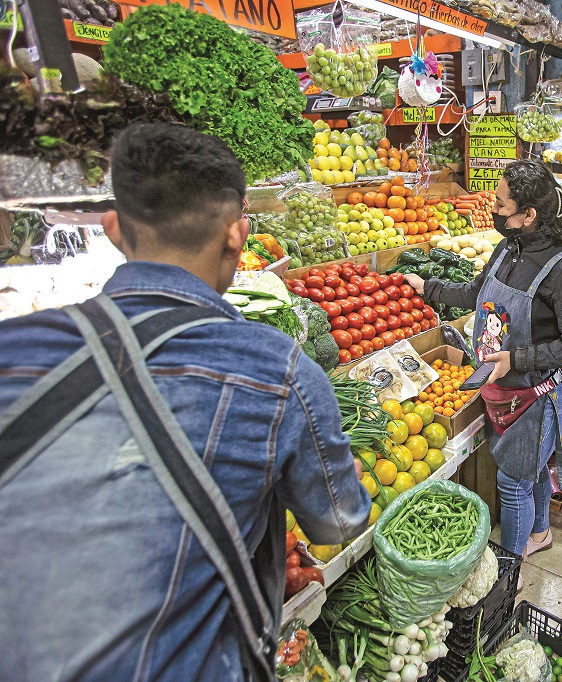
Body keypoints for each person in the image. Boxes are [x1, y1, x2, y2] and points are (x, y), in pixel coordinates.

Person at [0, 123, 371, 680]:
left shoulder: (15, 351)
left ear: (112, 230)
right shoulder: (278, 371)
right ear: (238, 235)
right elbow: (339, 522)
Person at [405, 160, 562, 574]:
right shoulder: (509, 247)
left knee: (512, 482)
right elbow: (476, 293)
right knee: (532, 471)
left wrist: (516, 358)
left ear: (529, 215)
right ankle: (539, 533)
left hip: (538, 394)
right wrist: (428, 287)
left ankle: (509, 572)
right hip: (502, 388)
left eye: (501, 204)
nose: (493, 209)